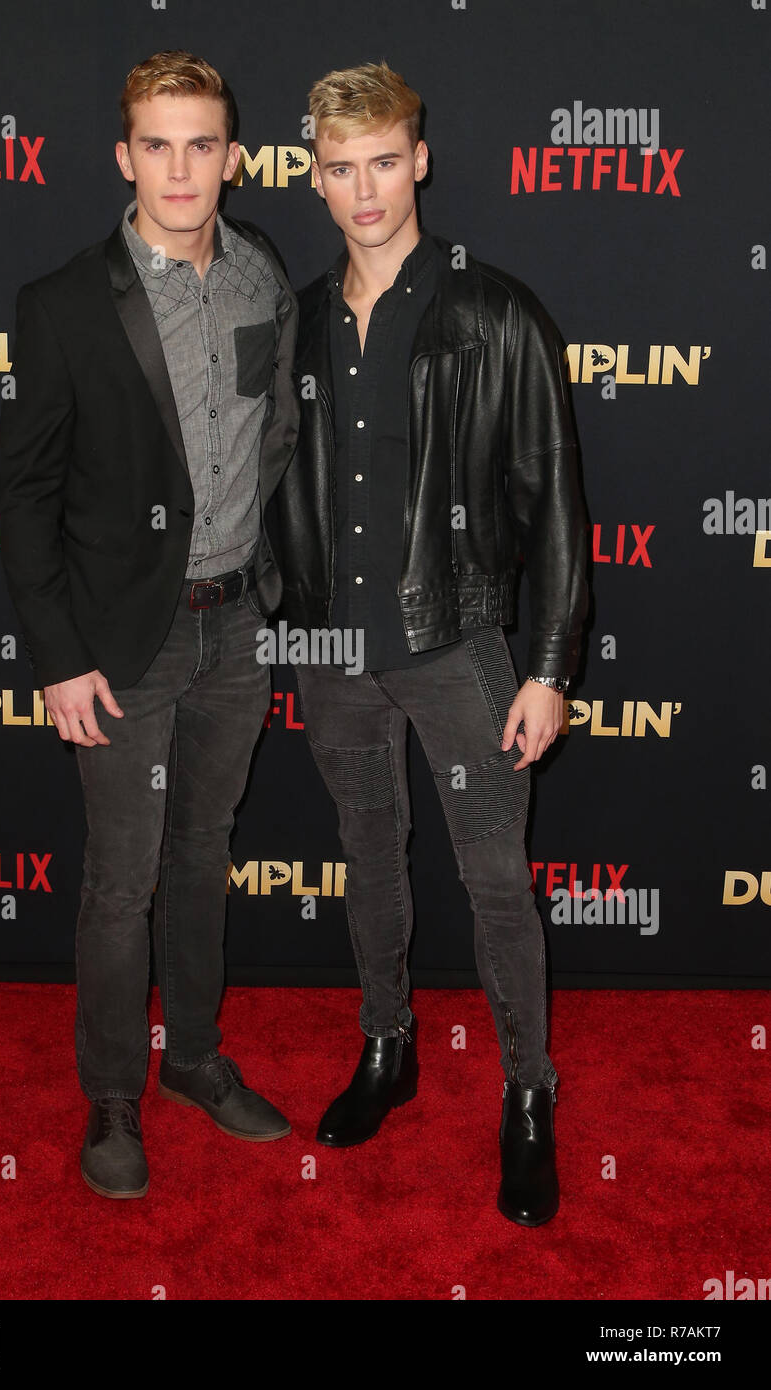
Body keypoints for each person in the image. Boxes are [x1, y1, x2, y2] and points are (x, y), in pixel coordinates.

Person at [272, 61, 589, 1225]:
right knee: (370, 859)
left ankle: (526, 1093)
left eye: (384, 162)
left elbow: (554, 497)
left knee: (497, 885)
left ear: (420, 159)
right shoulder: (295, 321)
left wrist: (549, 666)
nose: (366, 191)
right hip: (332, 650)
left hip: (455, 643)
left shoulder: (493, 312)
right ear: (315, 177)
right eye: (341, 169)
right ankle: (387, 1046)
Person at [0, 51, 299, 1199]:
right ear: (125, 157)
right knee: (121, 879)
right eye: (157, 144)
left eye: (202, 143)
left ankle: (200, 1061)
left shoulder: (264, 274)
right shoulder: (63, 303)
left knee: (203, 859)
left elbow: (272, 441)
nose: (182, 168)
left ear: (232, 153)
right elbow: (23, 496)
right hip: (124, 643)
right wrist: (58, 656)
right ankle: (114, 1096)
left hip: (236, 628)